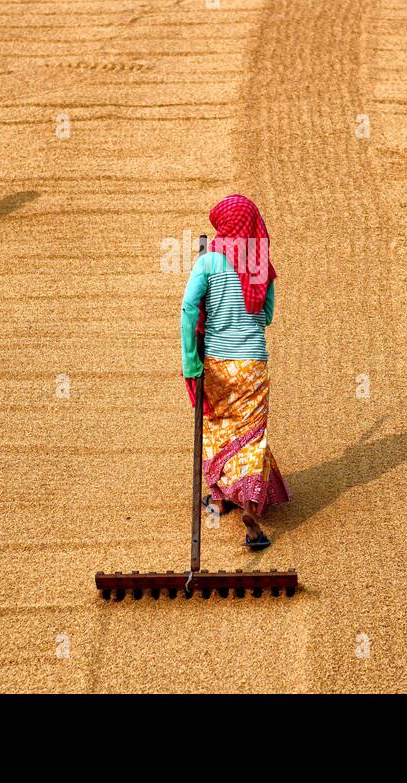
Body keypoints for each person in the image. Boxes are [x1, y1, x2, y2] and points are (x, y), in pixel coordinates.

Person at [180, 195, 290, 550]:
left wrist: (190, 360)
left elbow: (188, 307)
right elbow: (267, 315)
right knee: (251, 435)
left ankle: (219, 497)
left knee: (218, 426)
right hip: (252, 364)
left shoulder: (208, 261)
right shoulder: (260, 265)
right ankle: (249, 510)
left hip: (213, 363)